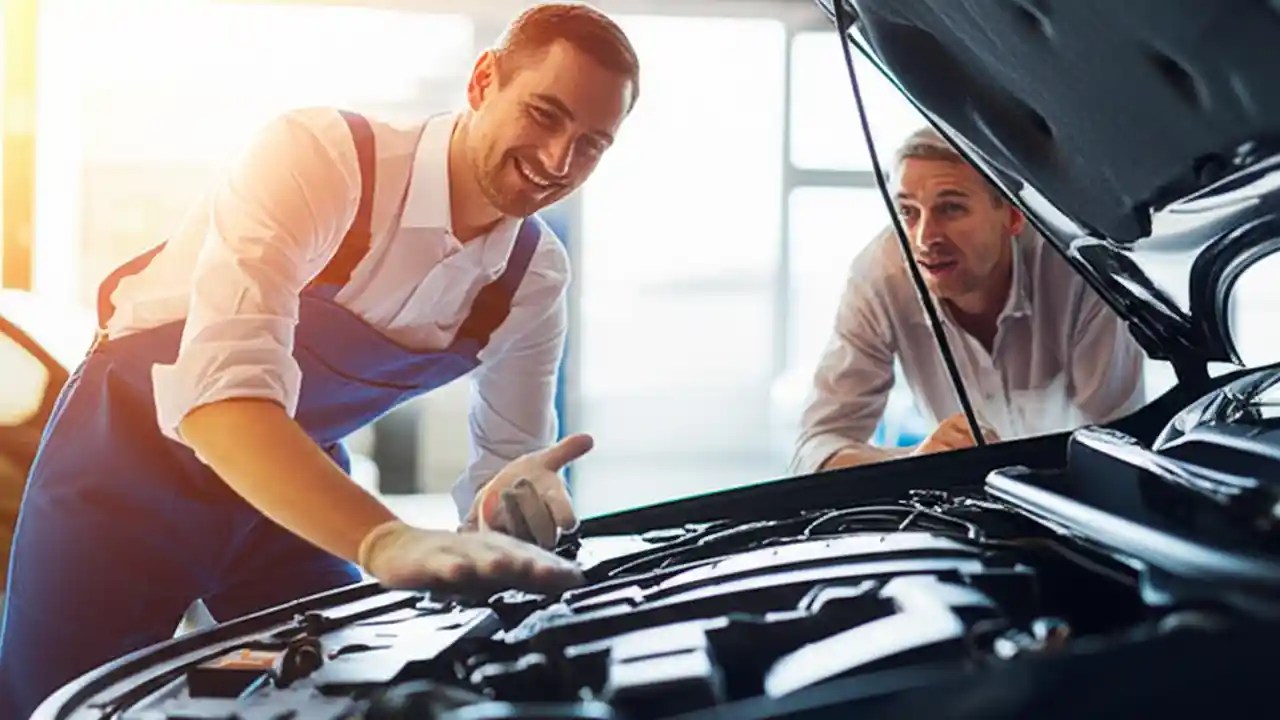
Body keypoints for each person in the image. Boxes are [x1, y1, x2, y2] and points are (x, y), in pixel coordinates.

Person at [0, 4, 639, 716]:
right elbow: (219, 400)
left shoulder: (533, 276)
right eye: (545, 115)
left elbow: (506, 469)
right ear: (483, 79)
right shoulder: (321, 158)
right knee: (55, 704)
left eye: (590, 145)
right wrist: (384, 537)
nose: (558, 161)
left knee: (353, 688)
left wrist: (509, 509)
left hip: (289, 496)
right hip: (123, 473)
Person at [792, 127, 1144, 474]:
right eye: (907, 212)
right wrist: (917, 461)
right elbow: (815, 449)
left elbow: (1120, 446)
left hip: (1073, 497)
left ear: (1014, 213)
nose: (924, 238)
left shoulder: (1078, 271)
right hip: (959, 507)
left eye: (951, 209)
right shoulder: (880, 277)